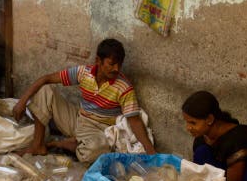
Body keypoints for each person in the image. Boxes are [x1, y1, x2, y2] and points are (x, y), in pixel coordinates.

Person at [12, 38, 156, 162]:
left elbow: (134, 120)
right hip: (77, 119)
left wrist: (151, 152)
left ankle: (70, 144)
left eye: (119, 64)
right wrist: (22, 102)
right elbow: (46, 79)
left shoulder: (124, 87)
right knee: (45, 90)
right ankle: (38, 145)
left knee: (97, 150)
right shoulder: (83, 73)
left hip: (98, 129)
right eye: (111, 64)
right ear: (98, 61)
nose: (116, 69)